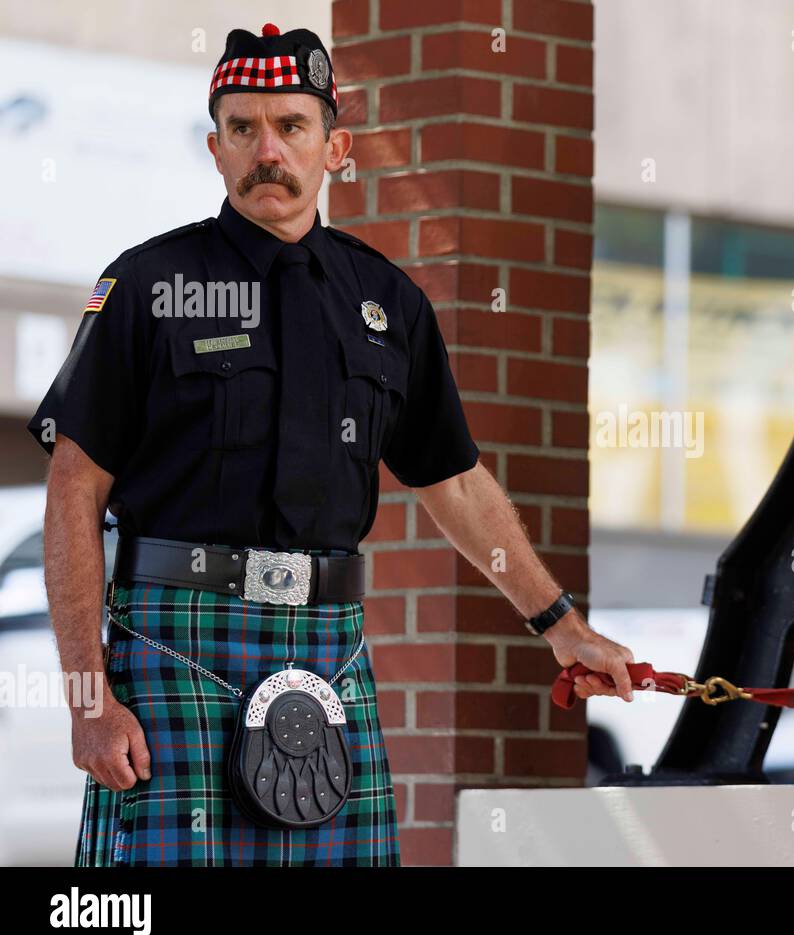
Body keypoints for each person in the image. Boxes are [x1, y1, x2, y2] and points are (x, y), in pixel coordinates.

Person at [26, 22, 635, 866]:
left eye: (291, 126)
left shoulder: (387, 303)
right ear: (215, 148)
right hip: (171, 644)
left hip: (329, 647)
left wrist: (560, 622)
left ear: (335, 146)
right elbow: (73, 492)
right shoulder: (149, 287)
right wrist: (89, 702)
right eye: (242, 129)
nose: (265, 150)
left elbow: (454, 482)